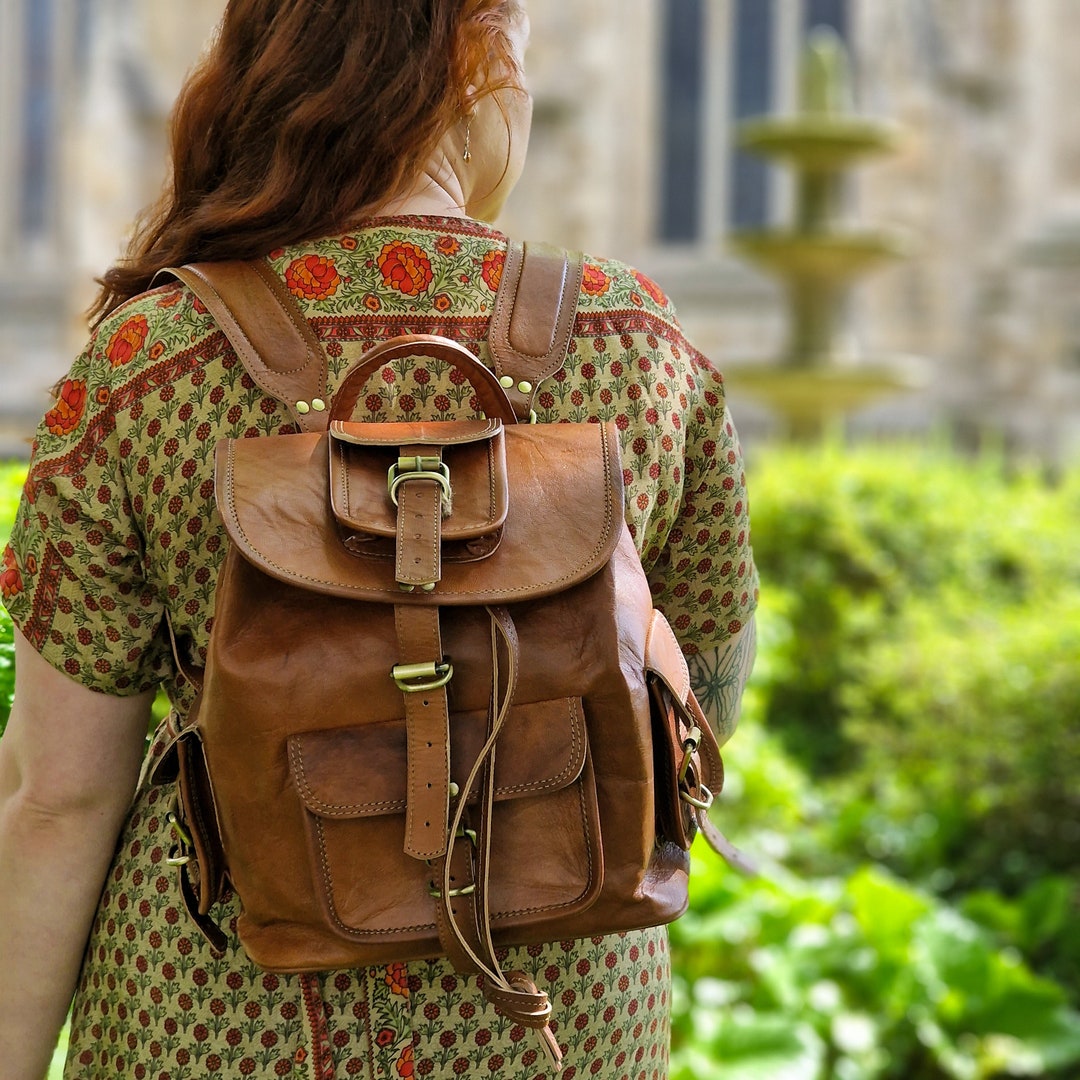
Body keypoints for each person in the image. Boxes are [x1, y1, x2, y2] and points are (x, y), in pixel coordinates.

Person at [0, 1, 758, 1077]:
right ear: (479, 64)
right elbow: (708, 697)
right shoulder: (640, 341)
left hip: (220, 1021)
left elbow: (57, 794)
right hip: (563, 1025)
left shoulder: (146, 362)